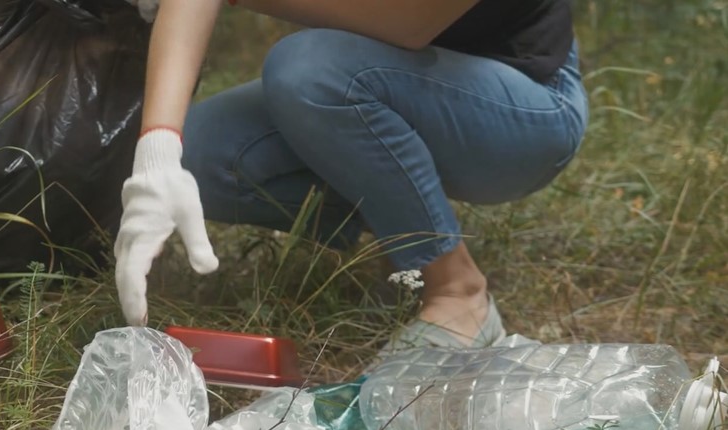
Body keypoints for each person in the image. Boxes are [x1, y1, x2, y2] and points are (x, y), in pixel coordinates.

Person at [112, 0, 588, 354]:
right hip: (383, 75)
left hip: (524, 111)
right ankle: (406, 230)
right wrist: (157, 157)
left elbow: (411, 24)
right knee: (202, 152)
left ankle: (457, 290)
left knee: (308, 69)